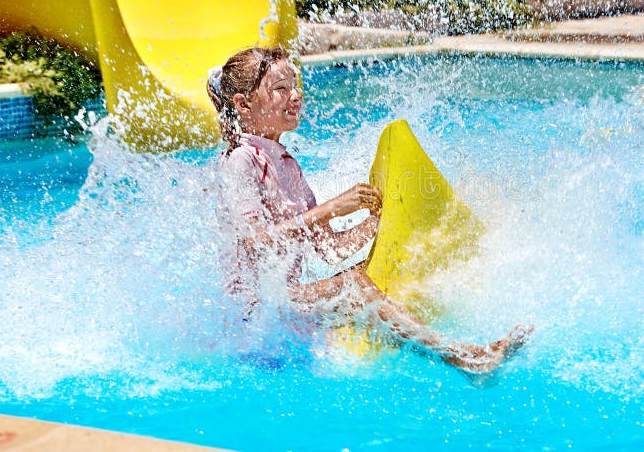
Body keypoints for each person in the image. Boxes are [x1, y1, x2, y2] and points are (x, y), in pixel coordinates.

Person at [207, 46, 531, 376]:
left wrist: (381, 218)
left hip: (286, 301)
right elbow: (257, 242)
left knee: (372, 271)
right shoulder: (238, 162)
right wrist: (332, 208)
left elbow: (330, 250)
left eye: (295, 84)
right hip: (253, 314)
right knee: (353, 284)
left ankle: (447, 345)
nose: (295, 95)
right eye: (280, 89)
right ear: (244, 104)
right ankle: (465, 358)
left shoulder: (288, 166)